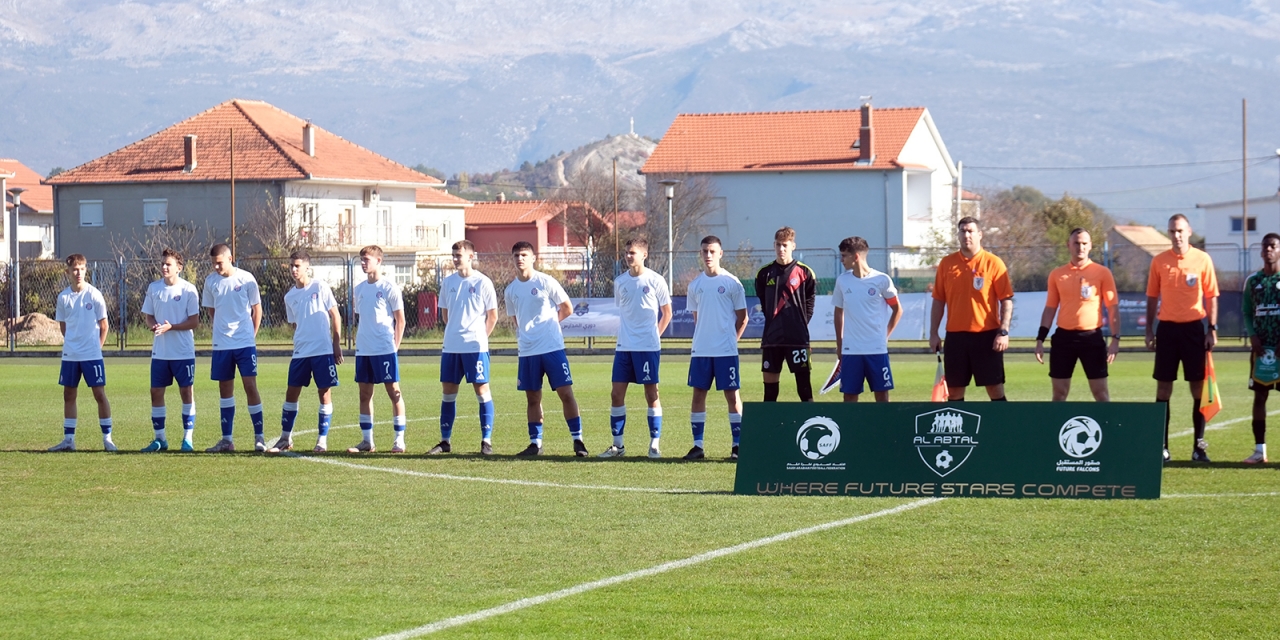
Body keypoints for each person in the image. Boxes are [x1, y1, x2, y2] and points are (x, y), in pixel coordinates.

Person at [1146, 213, 1219, 464]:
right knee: (1163, 389)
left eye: (1179, 231)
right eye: (1171, 231)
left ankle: (1199, 448)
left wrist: (1212, 328)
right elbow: (1152, 297)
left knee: (1197, 389)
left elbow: (1211, 295)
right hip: (1166, 330)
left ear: (1189, 232)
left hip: (1193, 330)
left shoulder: (1202, 259)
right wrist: (1149, 330)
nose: (1176, 236)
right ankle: (1161, 447)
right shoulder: (1159, 261)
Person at [504, 241, 586, 457]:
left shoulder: (545, 281)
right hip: (528, 351)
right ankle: (535, 443)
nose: (519, 259)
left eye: (523, 255)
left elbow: (567, 308)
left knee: (566, 394)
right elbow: (516, 319)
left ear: (533, 258)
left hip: (552, 348)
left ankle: (578, 441)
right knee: (532, 398)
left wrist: (550, 325)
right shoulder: (510, 290)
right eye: (516, 255)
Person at [599, 238, 672, 458]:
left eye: (633, 252)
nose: (629, 256)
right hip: (624, 347)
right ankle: (617, 446)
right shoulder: (620, 282)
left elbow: (667, 312)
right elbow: (622, 310)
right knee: (616, 394)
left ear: (644, 255)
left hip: (648, 348)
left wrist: (654, 335)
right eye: (627, 253)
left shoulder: (656, 280)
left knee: (651, 394)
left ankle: (654, 444)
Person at [928, 217, 1014, 401]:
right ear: (958, 234)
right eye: (962, 231)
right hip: (956, 337)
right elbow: (938, 300)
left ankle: (1004, 427)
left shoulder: (993, 263)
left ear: (980, 234)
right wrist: (933, 332)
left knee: (994, 388)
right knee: (955, 391)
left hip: (987, 336)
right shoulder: (947, 264)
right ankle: (959, 430)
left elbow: (1006, 300)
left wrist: (1004, 331)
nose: (966, 235)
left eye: (970, 231)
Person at [267, 251, 343, 454]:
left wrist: (336, 344)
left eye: (297, 266)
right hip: (301, 352)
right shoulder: (289, 296)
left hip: (322, 351)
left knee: (324, 393)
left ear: (307, 267)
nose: (293, 269)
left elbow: (335, 315)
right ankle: (285, 438)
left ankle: (322, 440)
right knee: (291, 393)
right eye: (291, 265)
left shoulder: (320, 286)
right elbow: (295, 324)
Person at [1034, 229, 1121, 401]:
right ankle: (1057, 427)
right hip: (1064, 339)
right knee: (1059, 394)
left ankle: (1108, 427)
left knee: (1100, 393)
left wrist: (1115, 339)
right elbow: (1050, 308)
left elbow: (1113, 308)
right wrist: (1040, 339)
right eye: (1076, 243)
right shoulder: (1057, 274)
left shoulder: (1102, 273)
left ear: (1090, 246)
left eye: (1084, 243)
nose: (1080, 247)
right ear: (1069, 245)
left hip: (1092, 338)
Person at [430, 240, 498, 456]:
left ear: (471, 256)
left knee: (481, 390)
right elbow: (445, 315)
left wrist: (479, 337)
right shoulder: (448, 282)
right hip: (451, 347)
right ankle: (445, 441)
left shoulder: (483, 282)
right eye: (454, 255)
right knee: (448, 392)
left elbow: (492, 315)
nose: (456, 259)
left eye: (459, 255)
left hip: (475, 347)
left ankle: (486, 441)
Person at [685, 235, 748, 461]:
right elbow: (697, 318)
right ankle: (698, 446)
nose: (708, 255)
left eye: (712, 251)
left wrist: (732, 340)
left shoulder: (732, 283)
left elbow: (743, 318)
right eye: (704, 251)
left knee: (732, 396)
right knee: (698, 395)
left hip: (725, 353)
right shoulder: (695, 286)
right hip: (701, 351)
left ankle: (738, 446)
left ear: (720, 253)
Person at [47, 254, 115, 452]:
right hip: (70, 355)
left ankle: (107, 439)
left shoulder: (94, 295)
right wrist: (72, 344)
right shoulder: (63, 297)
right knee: (69, 394)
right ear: (68, 272)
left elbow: (104, 326)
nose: (78, 273)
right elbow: (63, 325)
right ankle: (69, 440)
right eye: (75, 269)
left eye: (82, 269)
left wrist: (96, 348)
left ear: (86, 270)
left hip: (92, 355)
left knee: (99, 394)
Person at [202, 243, 264, 453]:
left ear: (230, 258)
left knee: (250, 386)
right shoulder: (211, 281)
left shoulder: (246, 279)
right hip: (222, 346)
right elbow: (212, 311)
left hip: (244, 344)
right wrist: (222, 331)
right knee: (225, 389)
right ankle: (227, 440)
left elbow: (257, 310)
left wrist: (250, 336)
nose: (216, 267)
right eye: (213, 264)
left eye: (219, 263)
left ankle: (259, 438)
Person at [140, 248, 200, 452]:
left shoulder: (188, 289)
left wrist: (171, 327)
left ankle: (187, 439)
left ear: (179, 268)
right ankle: (160, 439)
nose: (164, 267)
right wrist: (153, 326)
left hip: (183, 352)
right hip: (160, 353)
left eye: (169, 264)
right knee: (156, 392)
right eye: (163, 263)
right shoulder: (154, 288)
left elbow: (194, 321)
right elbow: (148, 315)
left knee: (186, 392)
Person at [351, 245, 407, 453]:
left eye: (366, 259)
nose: (363, 263)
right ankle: (367, 441)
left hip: (384, 349)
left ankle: (399, 440)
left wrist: (394, 348)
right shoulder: (359, 289)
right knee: (364, 394)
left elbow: (400, 321)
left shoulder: (389, 288)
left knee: (394, 392)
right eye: (361, 260)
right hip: (364, 350)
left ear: (378, 261)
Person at [832, 236, 902, 402]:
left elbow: (897, 309)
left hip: (876, 350)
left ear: (856, 256)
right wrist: (840, 344)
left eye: (844, 255)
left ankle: (883, 428)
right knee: (849, 395)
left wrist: (885, 336)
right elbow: (838, 313)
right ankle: (851, 427)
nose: (841, 260)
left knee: (882, 395)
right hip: (851, 351)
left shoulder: (882, 280)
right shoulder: (842, 281)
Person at [754, 227, 817, 402]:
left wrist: (800, 326)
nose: (781, 249)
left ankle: (810, 423)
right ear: (773, 246)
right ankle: (769, 428)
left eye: (785, 245)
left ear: (793, 246)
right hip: (772, 339)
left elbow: (809, 305)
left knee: (805, 390)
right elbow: (764, 303)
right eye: (778, 245)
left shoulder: (805, 273)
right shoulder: (764, 274)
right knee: (770, 393)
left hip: (798, 339)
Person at [1243, 233, 1280, 464]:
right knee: (1259, 397)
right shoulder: (1253, 281)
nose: (1268, 250)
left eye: (1273, 246)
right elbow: (1247, 311)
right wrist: (1253, 336)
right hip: (1261, 350)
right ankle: (1259, 450)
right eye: (1265, 246)